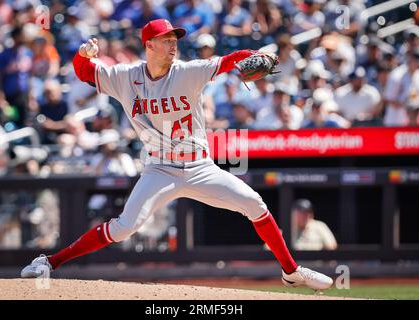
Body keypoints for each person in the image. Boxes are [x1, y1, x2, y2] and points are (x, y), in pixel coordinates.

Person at [21, 19, 333, 290]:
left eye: (175, 40)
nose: (173, 45)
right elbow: (83, 72)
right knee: (124, 227)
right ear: (149, 45)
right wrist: (81, 54)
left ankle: (291, 272)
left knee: (254, 204)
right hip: (159, 169)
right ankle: (50, 261)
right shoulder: (124, 76)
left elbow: (230, 60)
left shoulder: (188, 72)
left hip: (200, 167)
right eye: (166, 40)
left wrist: (255, 55)